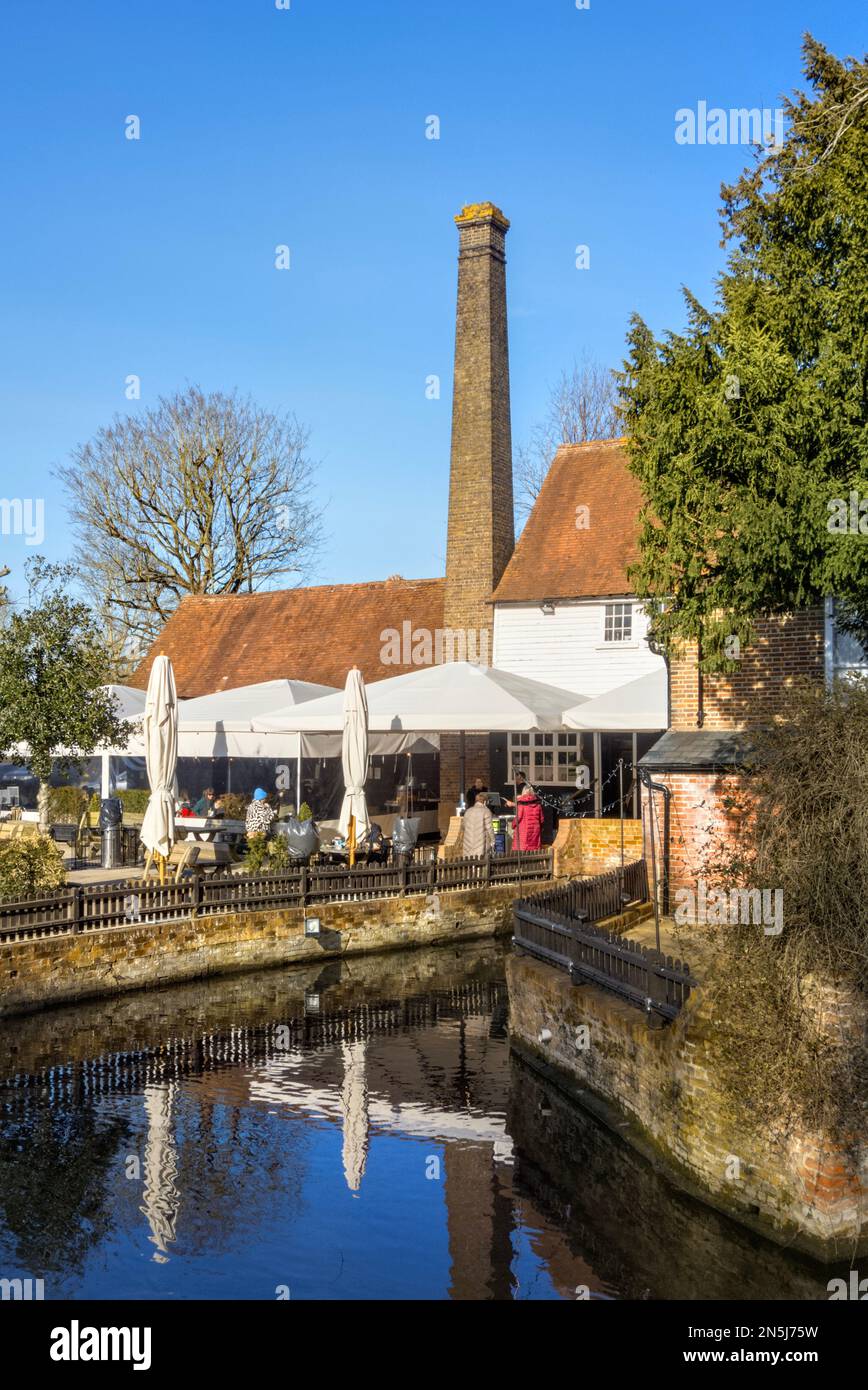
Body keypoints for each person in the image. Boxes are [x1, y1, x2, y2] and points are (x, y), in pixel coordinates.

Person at [462, 790, 494, 858]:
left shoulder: (468, 811)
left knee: (469, 862)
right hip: (481, 843)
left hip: (468, 843)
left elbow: (463, 827)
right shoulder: (486, 811)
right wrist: (493, 840)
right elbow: (489, 828)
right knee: (480, 862)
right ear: (485, 802)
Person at [514, 786, 544, 852]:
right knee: (534, 850)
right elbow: (541, 819)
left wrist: (513, 825)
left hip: (523, 831)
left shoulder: (521, 804)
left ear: (523, 792)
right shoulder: (538, 805)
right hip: (535, 831)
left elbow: (518, 817)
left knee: (523, 851)